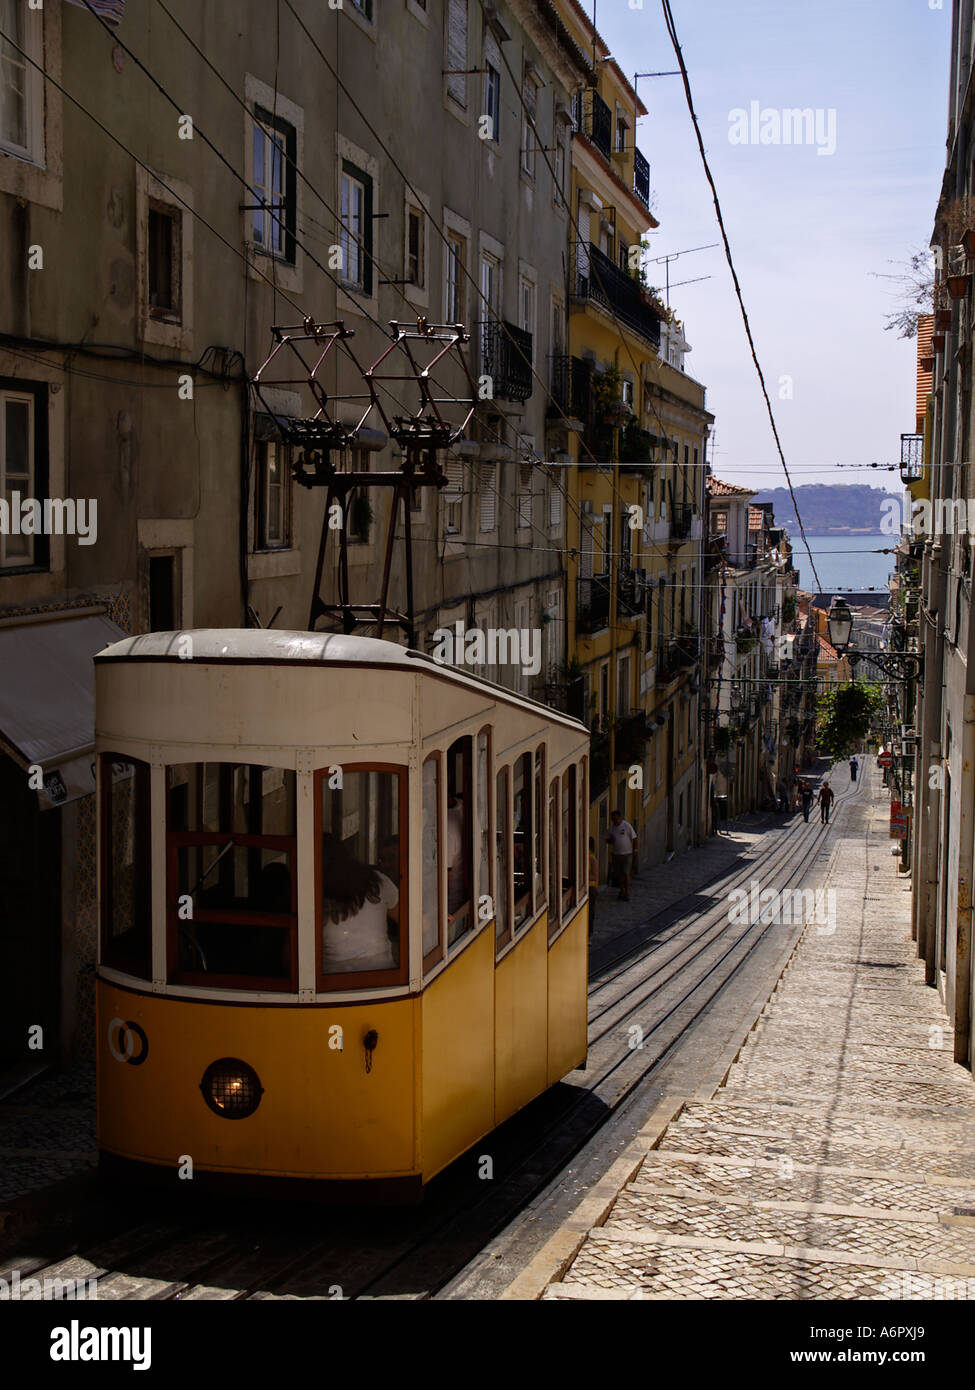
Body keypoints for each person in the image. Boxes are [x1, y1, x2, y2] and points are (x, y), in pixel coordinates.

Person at [321, 833, 399, 974]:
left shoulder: (312, 895)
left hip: (332, 984)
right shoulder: (378, 882)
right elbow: (410, 922)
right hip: (384, 977)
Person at [605, 810, 637, 902]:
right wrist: (611, 840)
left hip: (627, 854)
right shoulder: (611, 828)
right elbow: (607, 840)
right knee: (619, 874)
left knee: (626, 873)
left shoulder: (627, 826)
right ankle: (621, 890)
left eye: (616, 818)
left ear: (620, 817)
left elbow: (634, 838)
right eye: (613, 819)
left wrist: (635, 849)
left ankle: (627, 892)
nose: (615, 821)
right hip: (616, 854)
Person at [588, 836, 599, 935]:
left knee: (590, 912)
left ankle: (589, 933)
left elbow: (594, 876)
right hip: (585, 887)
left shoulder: (592, 859)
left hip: (591, 888)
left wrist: (582, 876)